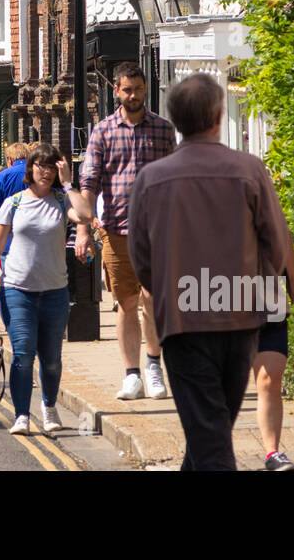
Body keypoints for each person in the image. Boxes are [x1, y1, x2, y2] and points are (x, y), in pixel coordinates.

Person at [127, 73, 291, 470]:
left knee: (208, 433)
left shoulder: (151, 178)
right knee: (212, 432)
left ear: (175, 121)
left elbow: (140, 256)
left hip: (183, 319)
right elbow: (279, 248)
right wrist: (255, 284)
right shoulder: (250, 170)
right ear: (219, 116)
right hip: (240, 317)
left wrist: (166, 290)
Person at [77, 62, 176, 402]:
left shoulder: (163, 130)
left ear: (145, 88)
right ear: (116, 91)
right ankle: (132, 375)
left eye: (137, 88)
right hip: (116, 230)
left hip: (157, 232)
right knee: (126, 303)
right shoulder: (102, 131)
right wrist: (82, 229)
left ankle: (153, 366)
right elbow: (89, 183)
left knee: (153, 301)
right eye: (126, 89)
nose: (132, 95)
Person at [0, 143, 90, 436]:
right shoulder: (14, 203)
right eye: (40, 165)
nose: (45, 171)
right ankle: (21, 415)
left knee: (52, 358)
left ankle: (48, 406)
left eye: (51, 165)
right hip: (17, 289)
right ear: (29, 168)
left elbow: (85, 216)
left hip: (55, 291)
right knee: (22, 354)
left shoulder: (61, 200)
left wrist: (69, 183)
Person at [251, 230, 294, 471]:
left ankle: (272, 453)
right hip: (228, 320)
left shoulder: (279, 232)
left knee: (270, 380)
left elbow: (292, 277)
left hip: (271, 316)